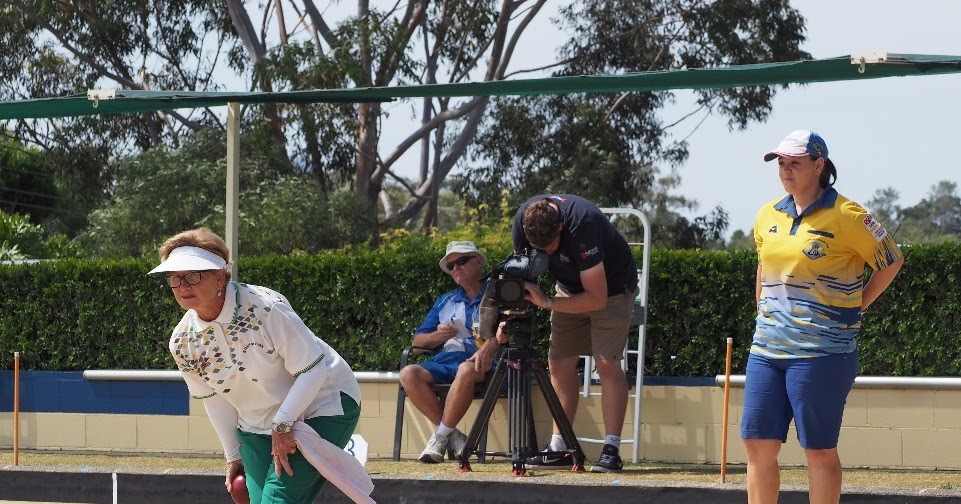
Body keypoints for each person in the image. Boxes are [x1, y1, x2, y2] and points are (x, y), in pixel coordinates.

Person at [742, 130, 904, 504]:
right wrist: (763, 313)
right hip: (766, 351)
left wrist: (859, 304)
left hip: (822, 353)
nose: (785, 170)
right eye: (781, 163)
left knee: (817, 449)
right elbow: (763, 268)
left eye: (794, 163)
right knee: (757, 445)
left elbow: (891, 260)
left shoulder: (849, 215)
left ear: (819, 166)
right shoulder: (767, 214)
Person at [150, 228, 362, 504]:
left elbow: (313, 369)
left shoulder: (264, 308)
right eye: (174, 279)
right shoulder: (182, 341)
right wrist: (233, 456)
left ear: (219, 276)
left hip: (324, 405)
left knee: (278, 500)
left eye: (193, 275)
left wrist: (284, 424)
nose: (183, 286)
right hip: (255, 425)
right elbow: (214, 399)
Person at [512, 194, 638, 473]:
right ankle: (561, 446)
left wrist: (546, 302)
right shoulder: (522, 220)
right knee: (558, 363)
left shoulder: (583, 223)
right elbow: (523, 273)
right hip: (567, 289)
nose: (548, 255)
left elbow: (598, 298)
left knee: (606, 364)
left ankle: (611, 449)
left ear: (559, 227)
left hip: (612, 290)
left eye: (552, 248)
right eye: (540, 250)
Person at [398, 241, 499, 463]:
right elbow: (418, 341)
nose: (456, 268)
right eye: (451, 265)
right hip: (446, 362)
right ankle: (453, 436)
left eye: (461, 261)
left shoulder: (497, 293)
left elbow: (509, 327)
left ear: (479, 261)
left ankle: (440, 436)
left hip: (483, 363)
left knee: (465, 369)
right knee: (408, 374)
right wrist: (438, 336)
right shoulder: (446, 301)